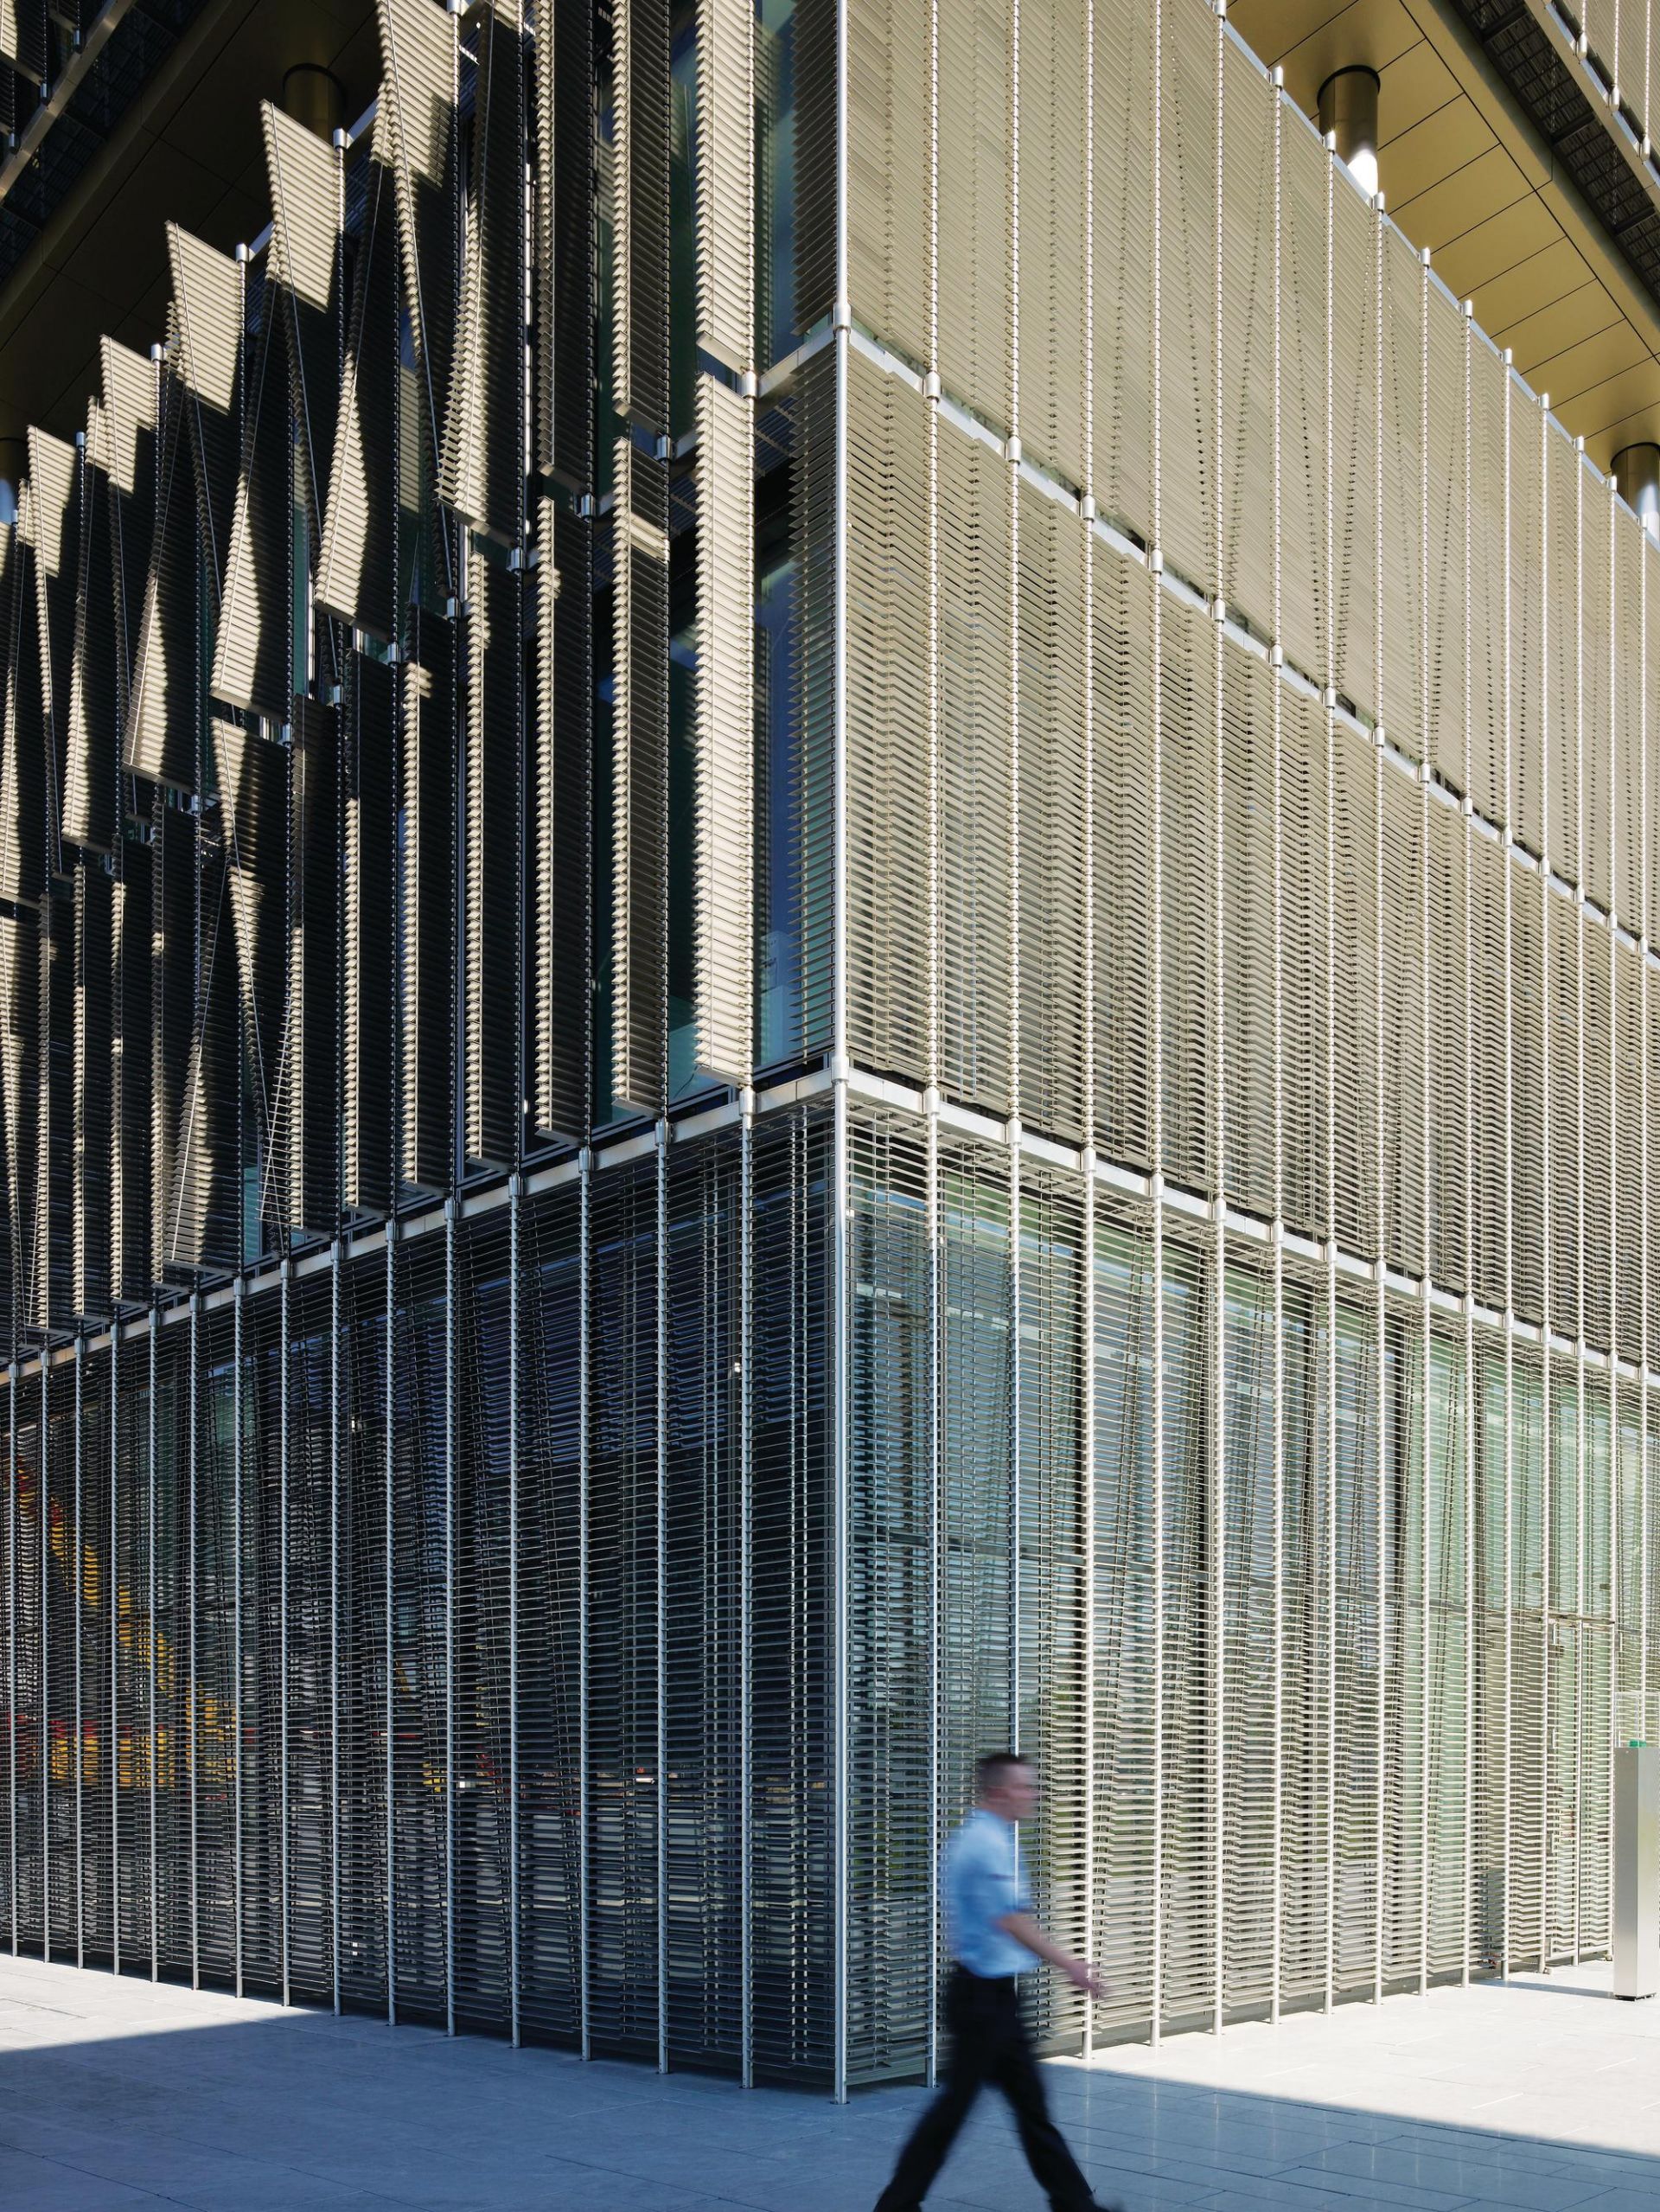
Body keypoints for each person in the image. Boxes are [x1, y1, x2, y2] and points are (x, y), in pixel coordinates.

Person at [872, 1752, 1120, 2212]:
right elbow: (1011, 1919)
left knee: (1028, 2108)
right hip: (984, 2001)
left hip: (994, 1995)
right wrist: (1071, 1965)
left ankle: (1075, 2205)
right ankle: (896, 2206)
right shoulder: (985, 1843)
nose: (1033, 1795)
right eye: (1026, 1786)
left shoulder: (992, 1838)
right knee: (959, 2111)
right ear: (1000, 1790)